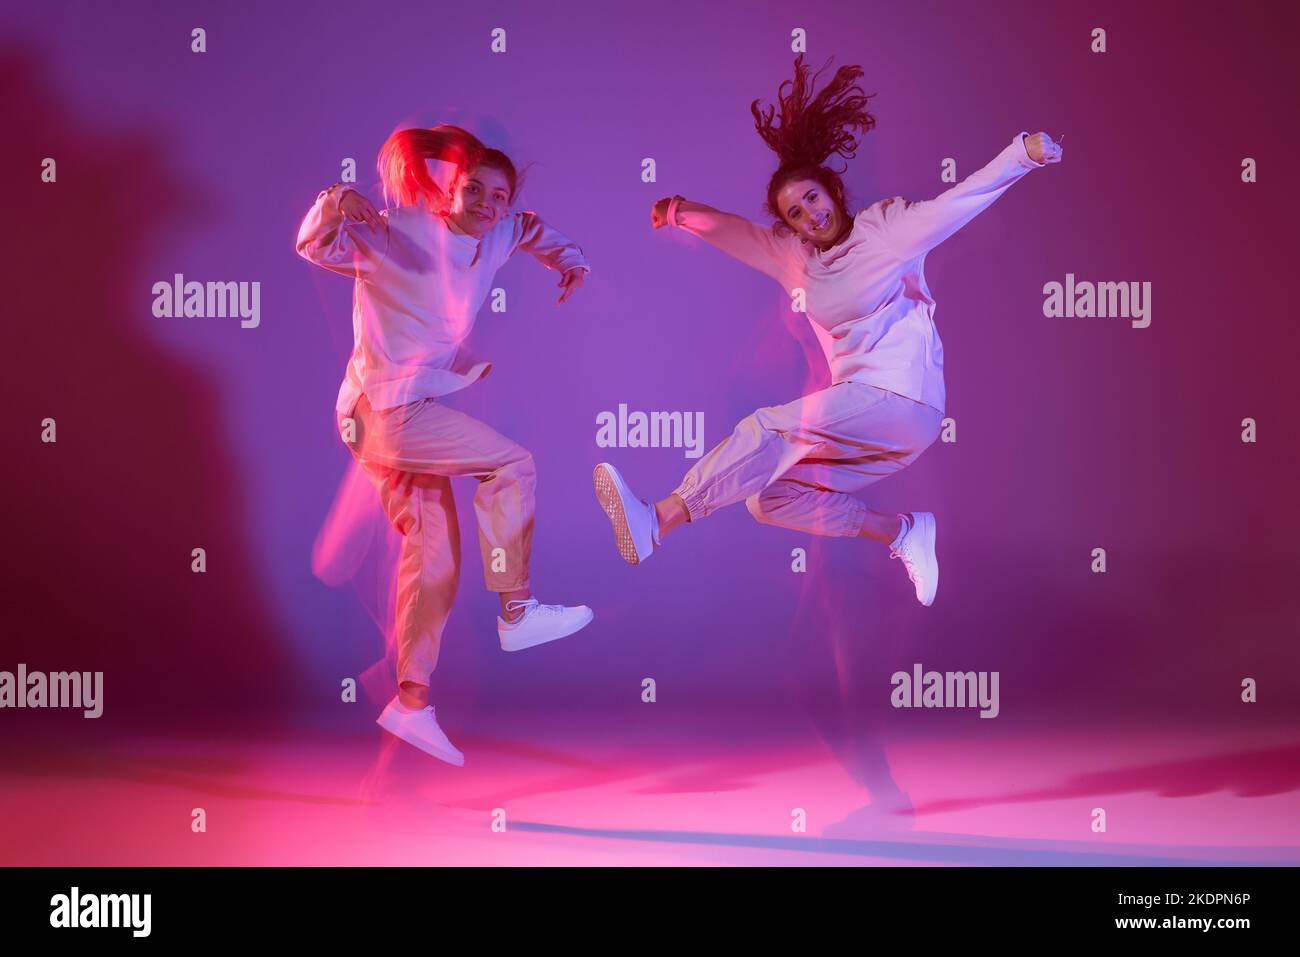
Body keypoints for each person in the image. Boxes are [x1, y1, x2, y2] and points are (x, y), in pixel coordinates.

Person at [593, 55, 1062, 606]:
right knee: (769, 499)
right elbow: (738, 232)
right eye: (794, 213)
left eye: (812, 198)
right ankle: (904, 532)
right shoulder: (798, 261)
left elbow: (954, 206)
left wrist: (1021, 155)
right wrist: (678, 210)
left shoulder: (884, 230)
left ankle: (659, 521)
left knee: (771, 428)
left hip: (904, 399)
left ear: (832, 190)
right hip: (873, 422)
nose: (809, 216)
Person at [297, 125, 595, 765]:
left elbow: (535, 230)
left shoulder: (501, 232)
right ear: (450, 190)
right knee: (513, 463)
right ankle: (516, 609)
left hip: (407, 409)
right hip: (380, 410)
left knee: (435, 555)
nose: (488, 205)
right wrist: (338, 198)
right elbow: (314, 241)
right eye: (476, 191)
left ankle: (411, 703)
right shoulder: (398, 234)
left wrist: (570, 263)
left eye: (500, 196)